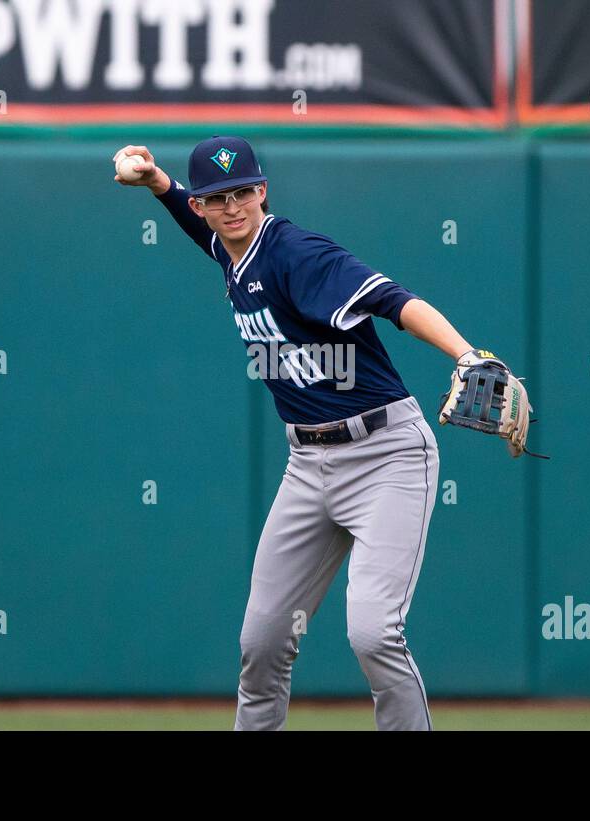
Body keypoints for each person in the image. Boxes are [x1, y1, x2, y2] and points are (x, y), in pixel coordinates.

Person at [114, 135, 507, 731]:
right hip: (308, 466)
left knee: (374, 632)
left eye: (243, 192)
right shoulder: (228, 246)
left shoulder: (298, 253)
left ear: (263, 190)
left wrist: (465, 353)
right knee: (263, 639)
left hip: (387, 455)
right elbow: (207, 232)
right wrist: (159, 185)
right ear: (202, 206)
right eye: (217, 197)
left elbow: (393, 300)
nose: (233, 207)